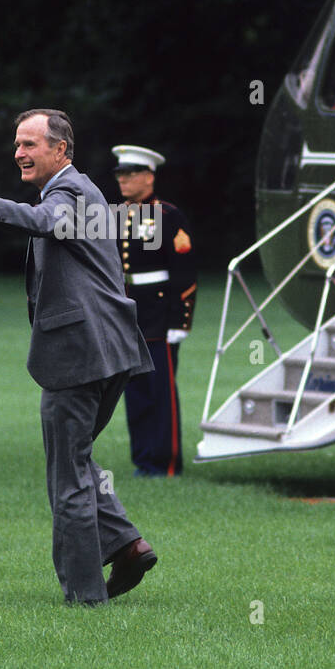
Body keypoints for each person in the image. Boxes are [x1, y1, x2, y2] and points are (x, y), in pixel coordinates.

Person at [0, 109, 157, 605]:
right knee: (74, 459)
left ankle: (84, 594)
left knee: (68, 478)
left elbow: (42, 222)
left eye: (31, 144)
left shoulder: (70, 193)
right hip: (108, 350)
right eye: (17, 144)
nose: (19, 152)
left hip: (80, 355)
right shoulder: (81, 190)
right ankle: (126, 544)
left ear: (61, 150)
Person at [112, 144, 197, 476]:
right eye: (120, 174)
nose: (123, 180)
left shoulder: (167, 215)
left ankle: (166, 462)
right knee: (135, 392)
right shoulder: (116, 214)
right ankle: (143, 459)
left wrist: (180, 319)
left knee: (160, 391)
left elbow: (185, 269)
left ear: (149, 177)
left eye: (130, 174)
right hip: (127, 314)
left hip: (160, 314)